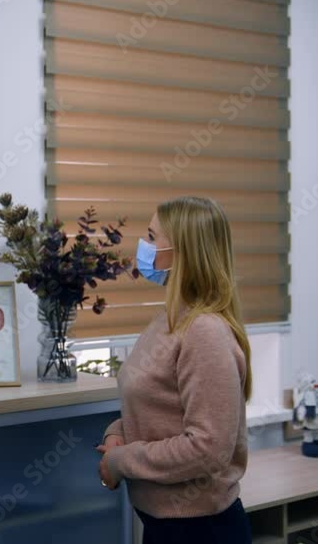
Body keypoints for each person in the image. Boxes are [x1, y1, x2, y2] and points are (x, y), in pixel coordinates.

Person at [96, 196, 252, 544]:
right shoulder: (168, 321)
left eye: (152, 237)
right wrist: (115, 434)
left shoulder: (204, 332)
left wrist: (122, 460)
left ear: (182, 252)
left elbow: (208, 448)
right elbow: (156, 407)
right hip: (163, 526)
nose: (143, 246)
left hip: (200, 531)